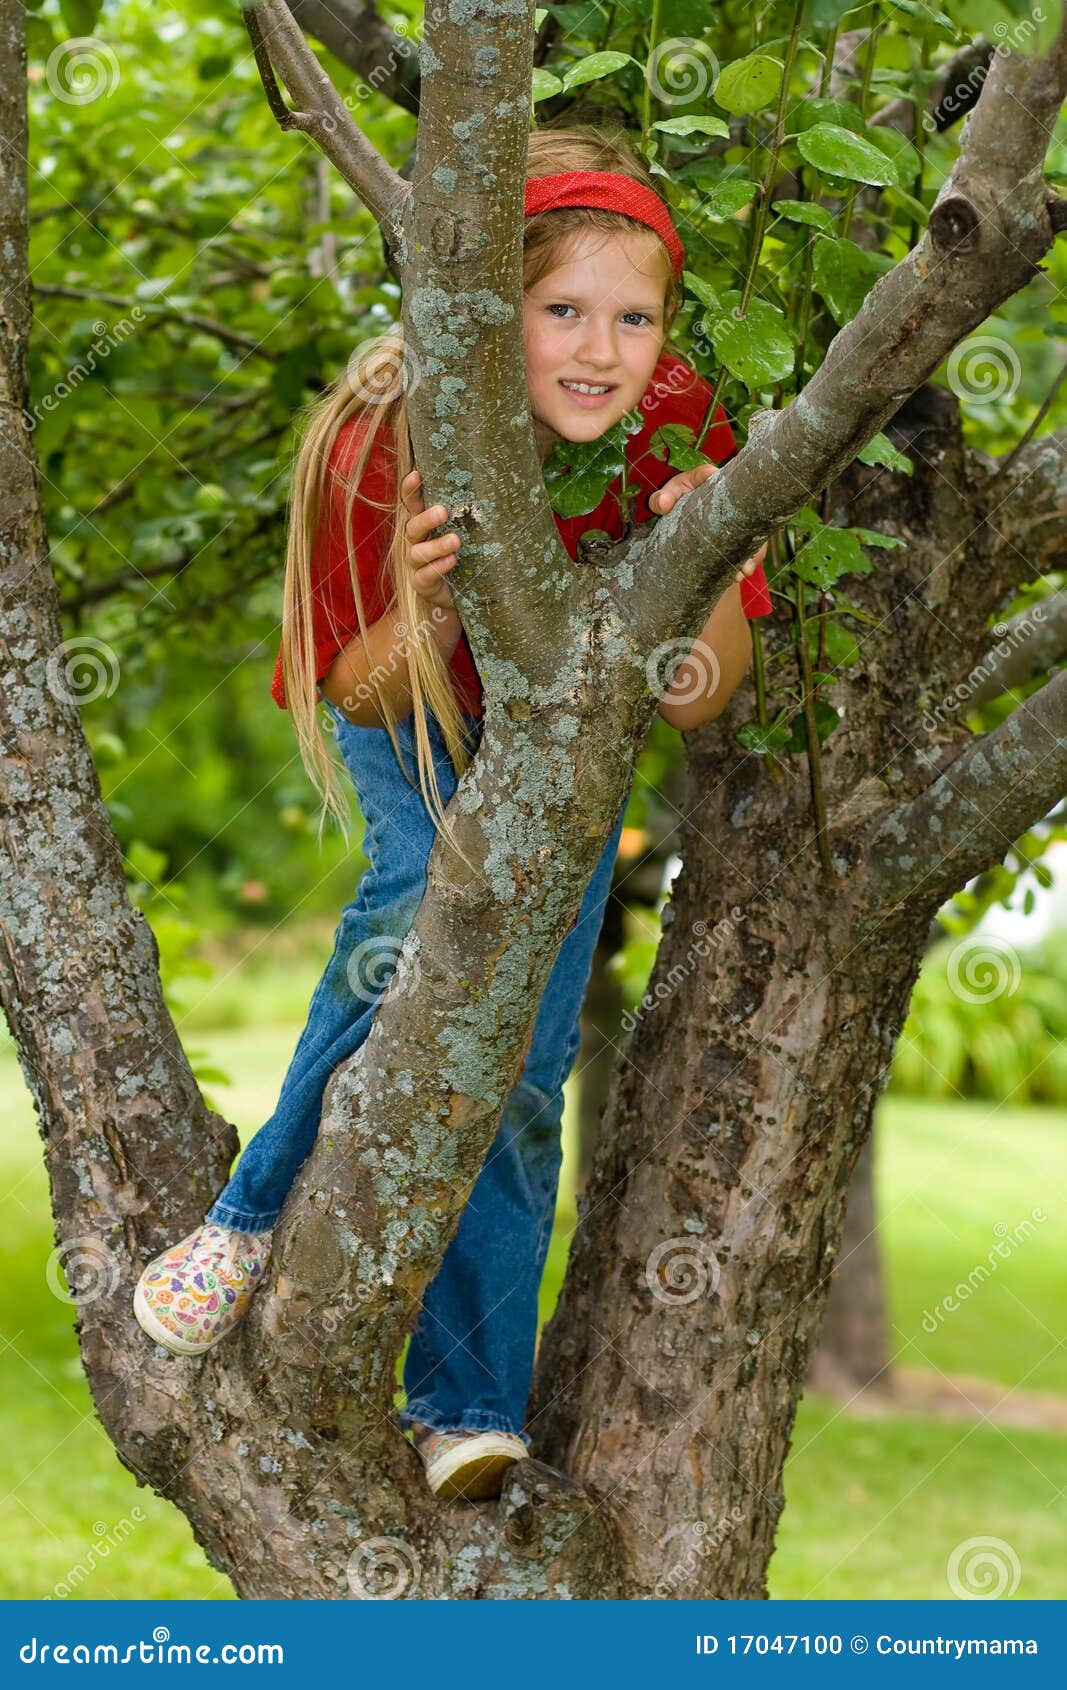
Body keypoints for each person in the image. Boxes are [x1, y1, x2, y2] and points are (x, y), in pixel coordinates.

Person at [132, 125, 772, 1501]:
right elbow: (355, 691)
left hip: (565, 750)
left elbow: (699, 696)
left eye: (635, 316)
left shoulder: (679, 426)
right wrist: (422, 601)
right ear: (490, 314)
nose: (602, 348)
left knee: (526, 1068)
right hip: (415, 714)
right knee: (419, 904)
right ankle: (246, 1221)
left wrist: (706, 549)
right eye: (562, 310)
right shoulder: (388, 439)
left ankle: (467, 1408)